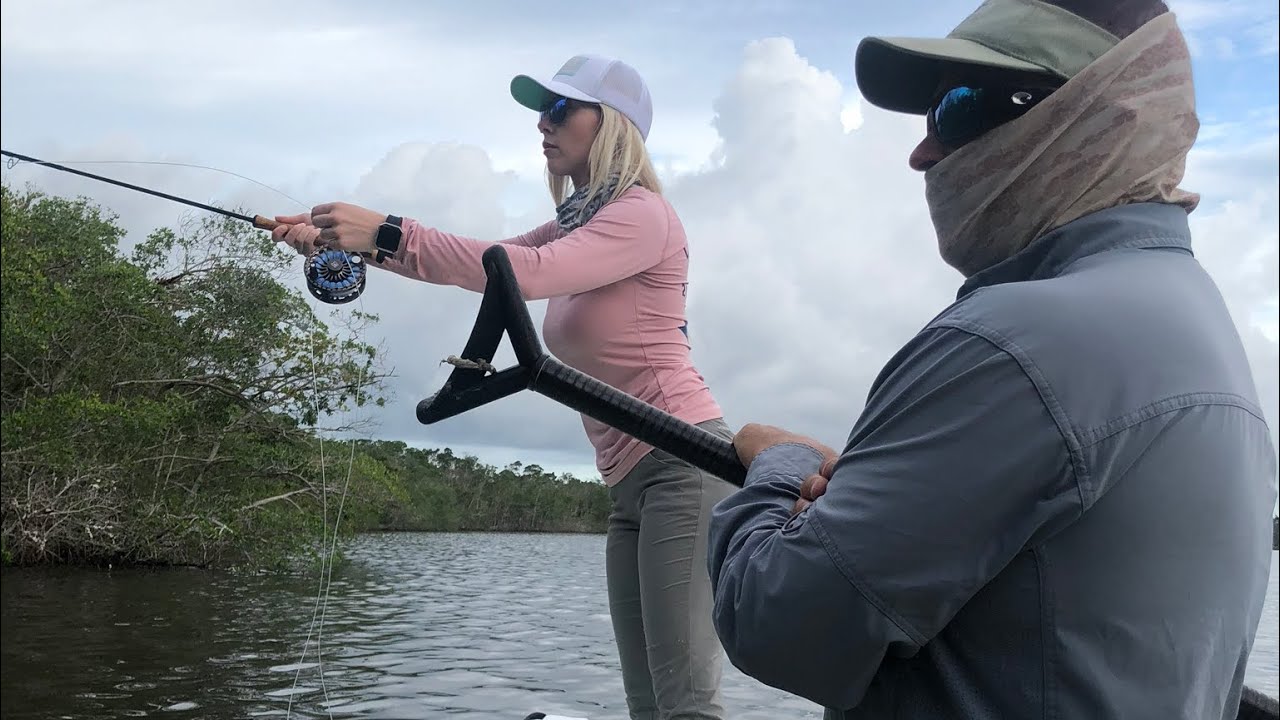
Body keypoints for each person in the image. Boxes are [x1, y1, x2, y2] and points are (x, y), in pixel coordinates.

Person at [705, 1, 1279, 719]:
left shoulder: (1013, 344)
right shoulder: (1204, 333)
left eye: (956, 106)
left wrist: (775, 467)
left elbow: (778, 625)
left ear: (1082, 116)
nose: (921, 152)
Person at [273, 54, 736, 720]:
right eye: (540, 112)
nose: (542, 126)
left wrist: (385, 229)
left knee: (685, 704)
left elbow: (525, 272)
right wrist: (340, 242)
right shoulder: (579, 220)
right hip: (627, 483)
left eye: (558, 110)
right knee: (648, 704)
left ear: (610, 124)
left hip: (684, 461)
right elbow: (481, 265)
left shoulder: (643, 215)